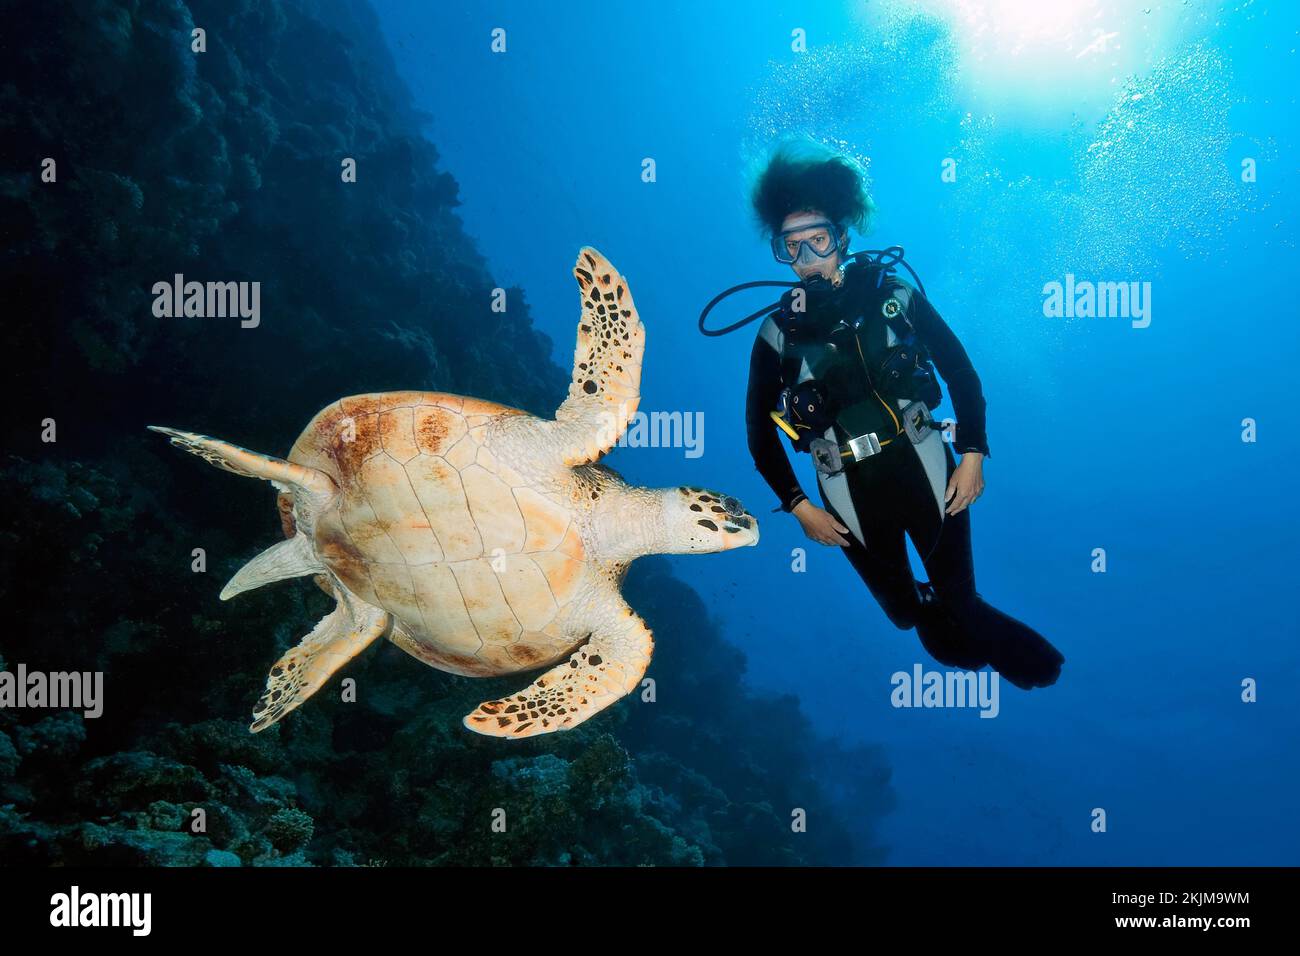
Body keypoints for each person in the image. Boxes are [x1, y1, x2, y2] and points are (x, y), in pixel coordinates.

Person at [743, 140, 1063, 688]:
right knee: (903, 617)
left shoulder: (896, 296)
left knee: (959, 611)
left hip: (926, 464)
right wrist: (798, 507)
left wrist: (973, 455)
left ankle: (988, 630)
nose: (807, 259)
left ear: (842, 237)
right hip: (846, 489)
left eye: (817, 240)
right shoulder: (776, 334)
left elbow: (961, 373)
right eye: (790, 248)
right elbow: (757, 431)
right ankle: (938, 607)